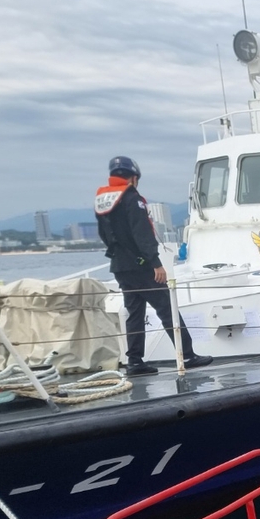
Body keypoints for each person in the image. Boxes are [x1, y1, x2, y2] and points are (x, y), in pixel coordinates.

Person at [95, 157, 212, 376]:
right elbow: (142, 233)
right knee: (167, 309)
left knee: (134, 314)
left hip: (120, 266)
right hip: (142, 267)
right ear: (133, 177)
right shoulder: (132, 198)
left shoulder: (103, 200)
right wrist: (156, 263)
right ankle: (187, 355)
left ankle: (134, 362)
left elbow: (104, 234)